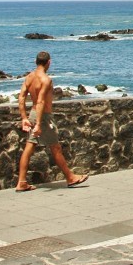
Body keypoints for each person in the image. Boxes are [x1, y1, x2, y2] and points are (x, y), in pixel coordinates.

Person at [16, 51, 88, 192]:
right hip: (44, 117)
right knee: (55, 148)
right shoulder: (46, 79)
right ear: (49, 62)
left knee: (29, 148)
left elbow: (21, 98)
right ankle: (70, 178)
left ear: (36, 62)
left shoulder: (29, 77)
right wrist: (38, 124)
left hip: (32, 114)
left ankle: (22, 182)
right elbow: (42, 101)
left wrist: (24, 118)